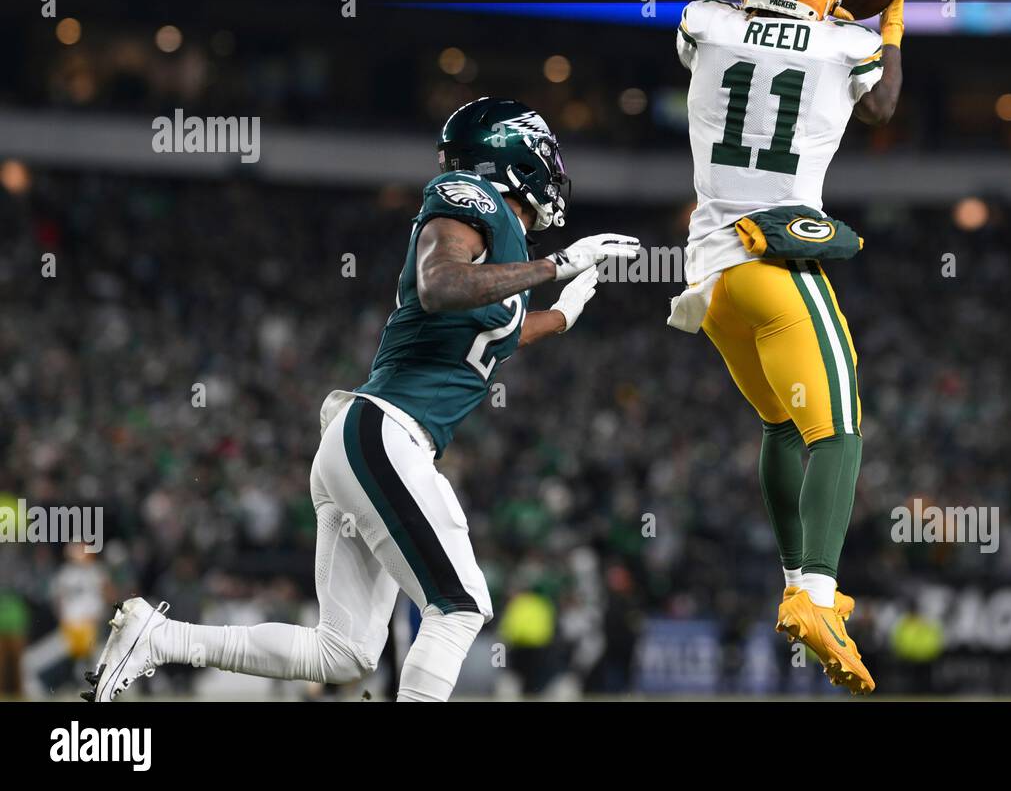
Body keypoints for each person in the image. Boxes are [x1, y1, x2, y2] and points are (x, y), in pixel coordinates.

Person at [88, 97, 639, 702]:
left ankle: (158, 639)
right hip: (385, 431)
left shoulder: (502, 254)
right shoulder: (469, 197)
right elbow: (440, 284)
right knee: (459, 607)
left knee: (344, 652)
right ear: (510, 156)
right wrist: (555, 266)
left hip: (364, 441)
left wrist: (559, 316)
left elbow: (483, 332)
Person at [668, 0, 906, 694]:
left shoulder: (704, 21)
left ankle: (799, 578)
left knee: (779, 425)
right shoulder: (847, 46)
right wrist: (889, 18)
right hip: (776, 263)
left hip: (710, 278)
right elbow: (881, 107)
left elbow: (731, 28)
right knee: (836, 431)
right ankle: (813, 592)